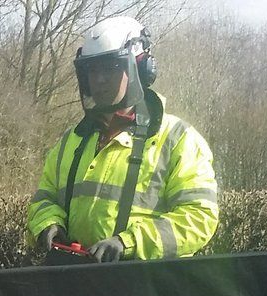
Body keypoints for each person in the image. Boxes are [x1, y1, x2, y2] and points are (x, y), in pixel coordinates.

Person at [27, 16, 219, 263]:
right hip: (74, 284)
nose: (99, 79)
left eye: (111, 67)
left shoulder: (178, 139)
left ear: (141, 68)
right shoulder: (72, 139)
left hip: (143, 289)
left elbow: (198, 217)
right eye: (92, 70)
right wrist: (47, 224)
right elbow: (44, 198)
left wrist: (129, 243)